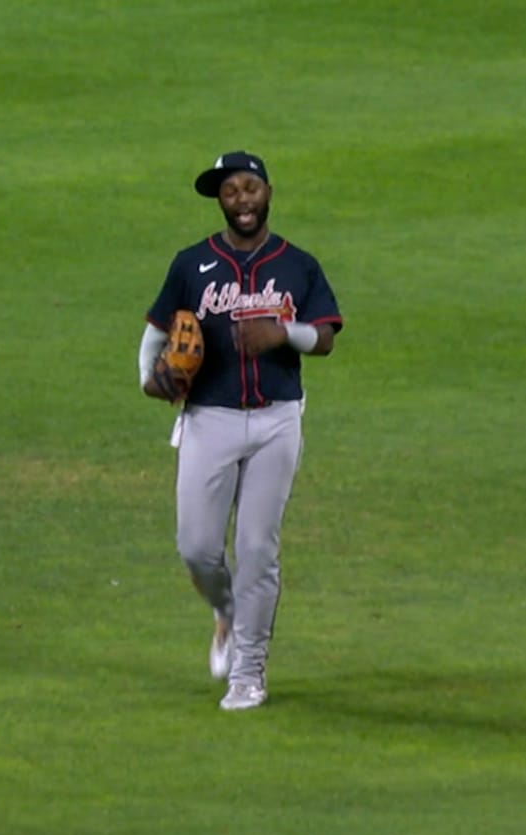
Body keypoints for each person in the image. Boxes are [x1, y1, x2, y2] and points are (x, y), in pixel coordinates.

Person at [138, 151, 343, 711]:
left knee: (257, 547)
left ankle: (249, 672)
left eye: (251, 188)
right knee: (197, 548)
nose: (243, 200)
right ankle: (225, 610)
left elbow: (324, 337)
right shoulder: (191, 264)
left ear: (268, 192)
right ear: (219, 201)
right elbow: (156, 333)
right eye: (231, 192)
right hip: (209, 418)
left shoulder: (297, 265)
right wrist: (148, 382)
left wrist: (283, 334)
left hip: (278, 419)